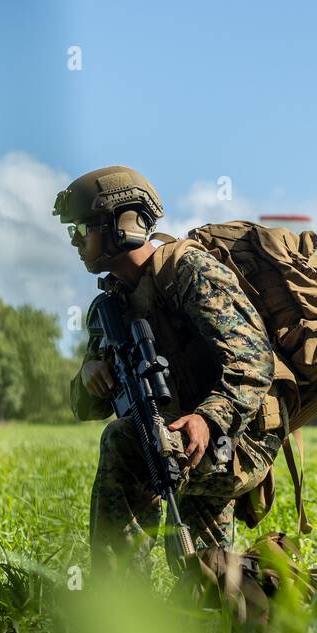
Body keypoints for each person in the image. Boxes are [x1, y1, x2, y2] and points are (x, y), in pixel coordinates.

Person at [53, 165, 281, 580]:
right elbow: (83, 408)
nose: (75, 241)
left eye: (83, 229)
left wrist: (208, 419)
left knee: (123, 443)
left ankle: (118, 603)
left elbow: (253, 363)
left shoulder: (189, 271)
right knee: (210, 583)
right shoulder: (111, 307)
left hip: (233, 440)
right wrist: (90, 376)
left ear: (121, 225)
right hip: (169, 439)